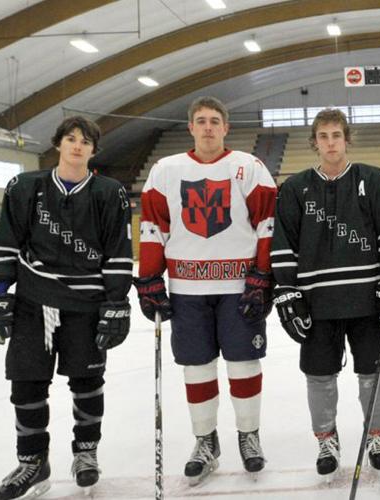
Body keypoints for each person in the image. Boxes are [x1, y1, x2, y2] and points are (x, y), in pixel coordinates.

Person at [0, 116, 133, 499]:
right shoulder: (24, 186)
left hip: (87, 304)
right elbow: (8, 239)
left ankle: (85, 454)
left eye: (85, 141)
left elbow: (117, 251)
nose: (77, 146)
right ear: (59, 145)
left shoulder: (108, 192)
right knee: (27, 383)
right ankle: (33, 461)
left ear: (94, 150)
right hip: (34, 301)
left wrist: (116, 302)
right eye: (70, 139)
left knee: (86, 383)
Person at [136, 96, 277, 484]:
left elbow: (268, 224)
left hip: (238, 287)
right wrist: (149, 278)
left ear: (226, 127)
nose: (209, 127)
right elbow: (153, 228)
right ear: (191, 127)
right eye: (201, 121)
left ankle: (249, 436)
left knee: (244, 364)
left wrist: (262, 274)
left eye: (215, 120)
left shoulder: (249, 167)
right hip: (186, 289)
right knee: (197, 367)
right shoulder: (166, 170)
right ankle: (206, 441)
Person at [270, 109, 380, 479]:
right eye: (323, 136)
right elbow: (284, 244)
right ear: (314, 142)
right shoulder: (295, 188)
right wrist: (287, 292)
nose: (330, 142)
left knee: (373, 375)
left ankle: (375, 436)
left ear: (347, 139)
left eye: (336, 135)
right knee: (319, 377)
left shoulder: (374, 180)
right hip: (317, 302)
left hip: (368, 299)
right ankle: (326, 440)